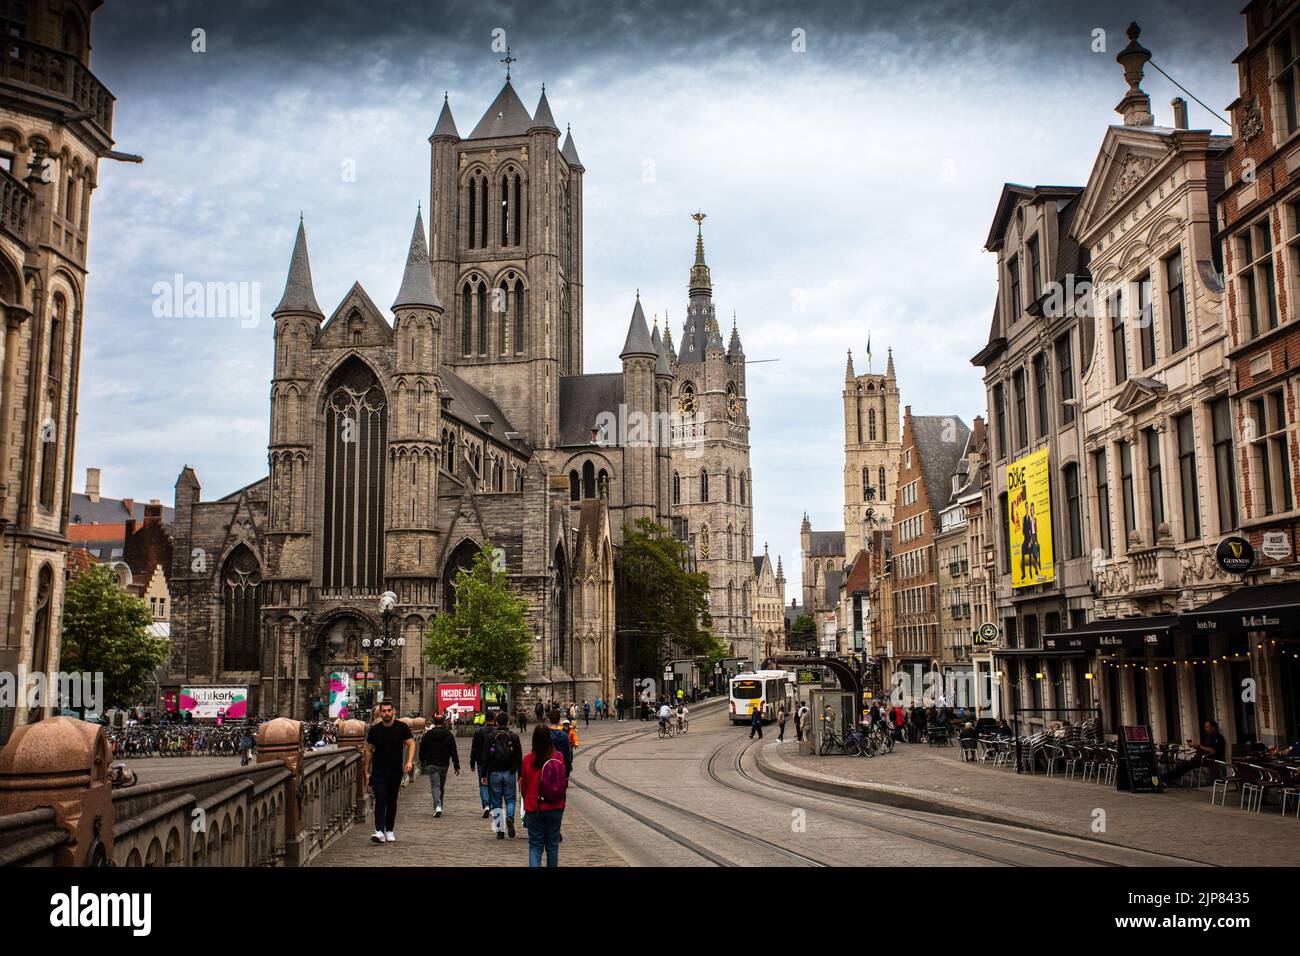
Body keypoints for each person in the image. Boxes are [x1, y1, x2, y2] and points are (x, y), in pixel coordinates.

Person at [364, 701, 414, 844]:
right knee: (380, 799)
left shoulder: (402, 727)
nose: (386, 713)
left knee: (392, 801)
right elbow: (368, 750)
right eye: (384, 711)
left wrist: (410, 761)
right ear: (380, 713)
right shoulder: (375, 730)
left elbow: (411, 743)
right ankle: (379, 831)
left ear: (393, 712)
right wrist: (366, 771)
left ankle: (390, 829)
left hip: (395, 770)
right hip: (379, 771)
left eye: (388, 711)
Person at [521, 723, 567, 867]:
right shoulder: (558, 757)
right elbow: (563, 783)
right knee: (552, 847)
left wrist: (526, 800)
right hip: (555, 807)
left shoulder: (528, 759)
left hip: (534, 807)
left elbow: (524, 786)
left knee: (535, 846)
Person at [480, 711, 522, 838]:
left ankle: (500, 829)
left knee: (496, 801)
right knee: (510, 799)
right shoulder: (514, 736)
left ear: (496, 722)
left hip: (494, 772)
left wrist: (484, 774)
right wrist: (520, 773)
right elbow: (519, 756)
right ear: (508, 723)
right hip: (510, 772)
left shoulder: (491, 737)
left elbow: (485, 757)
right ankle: (509, 817)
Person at [418, 714, 460, 817]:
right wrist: (456, 765)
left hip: (431, 763)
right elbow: (453, 751)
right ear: (444, 722)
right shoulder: (449, 735)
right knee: (441, 786)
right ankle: (439, 805)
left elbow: (422, 749)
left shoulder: (428, 735)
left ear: (434, 723)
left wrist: (422, 761)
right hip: (444, 764)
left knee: (435, 786)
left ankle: (438, 806)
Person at [1162, 720, 1226, 786]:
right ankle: (1168, 778)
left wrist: (1199, 746)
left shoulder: (1219, 738)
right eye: (1205, 727)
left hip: (1208, 760)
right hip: (1198, 758)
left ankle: (1167, 778)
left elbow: (1213, 751)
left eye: (1207, 727)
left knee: (1186, 765)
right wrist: (1194, 746)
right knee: (1184, 764)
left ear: (1213, 727)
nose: (1205, 729)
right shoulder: (1207, 737)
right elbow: (1202, 748)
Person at [469, 715, 494, 818]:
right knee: (492, 785)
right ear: (494, 719)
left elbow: (474, 747)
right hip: (494, 762)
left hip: (481, 762)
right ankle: (491, 804)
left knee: (483, 783)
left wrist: (472, 762)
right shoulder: (496, 732)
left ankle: (486, 805)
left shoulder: (479, 731)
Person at [546, 709, 574, 777]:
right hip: (559, 767)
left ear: (548, 720)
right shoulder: (564, 736)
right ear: (559, 721)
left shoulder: (543, 733)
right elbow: (567, 755)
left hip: (546, 767)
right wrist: (567, 773)